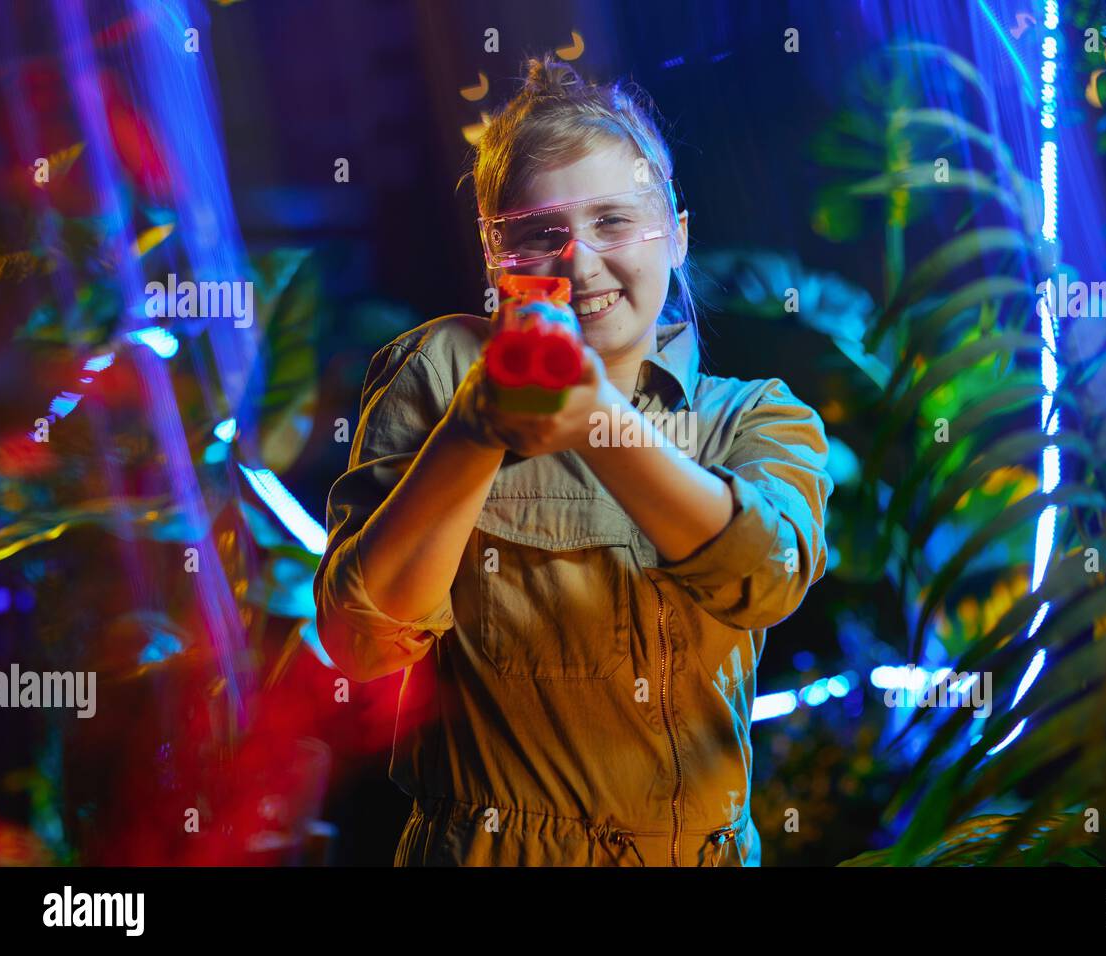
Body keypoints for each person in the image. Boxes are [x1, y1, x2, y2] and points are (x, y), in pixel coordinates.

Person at [314, 53, 834, 866]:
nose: (580, 261)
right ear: (496, 257)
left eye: (613, 222)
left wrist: (595, 419)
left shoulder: (755, 415)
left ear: (677, 235)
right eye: (539, 234)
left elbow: (764, 579)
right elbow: (365, 641)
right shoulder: (444, 371)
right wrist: (475, 431)